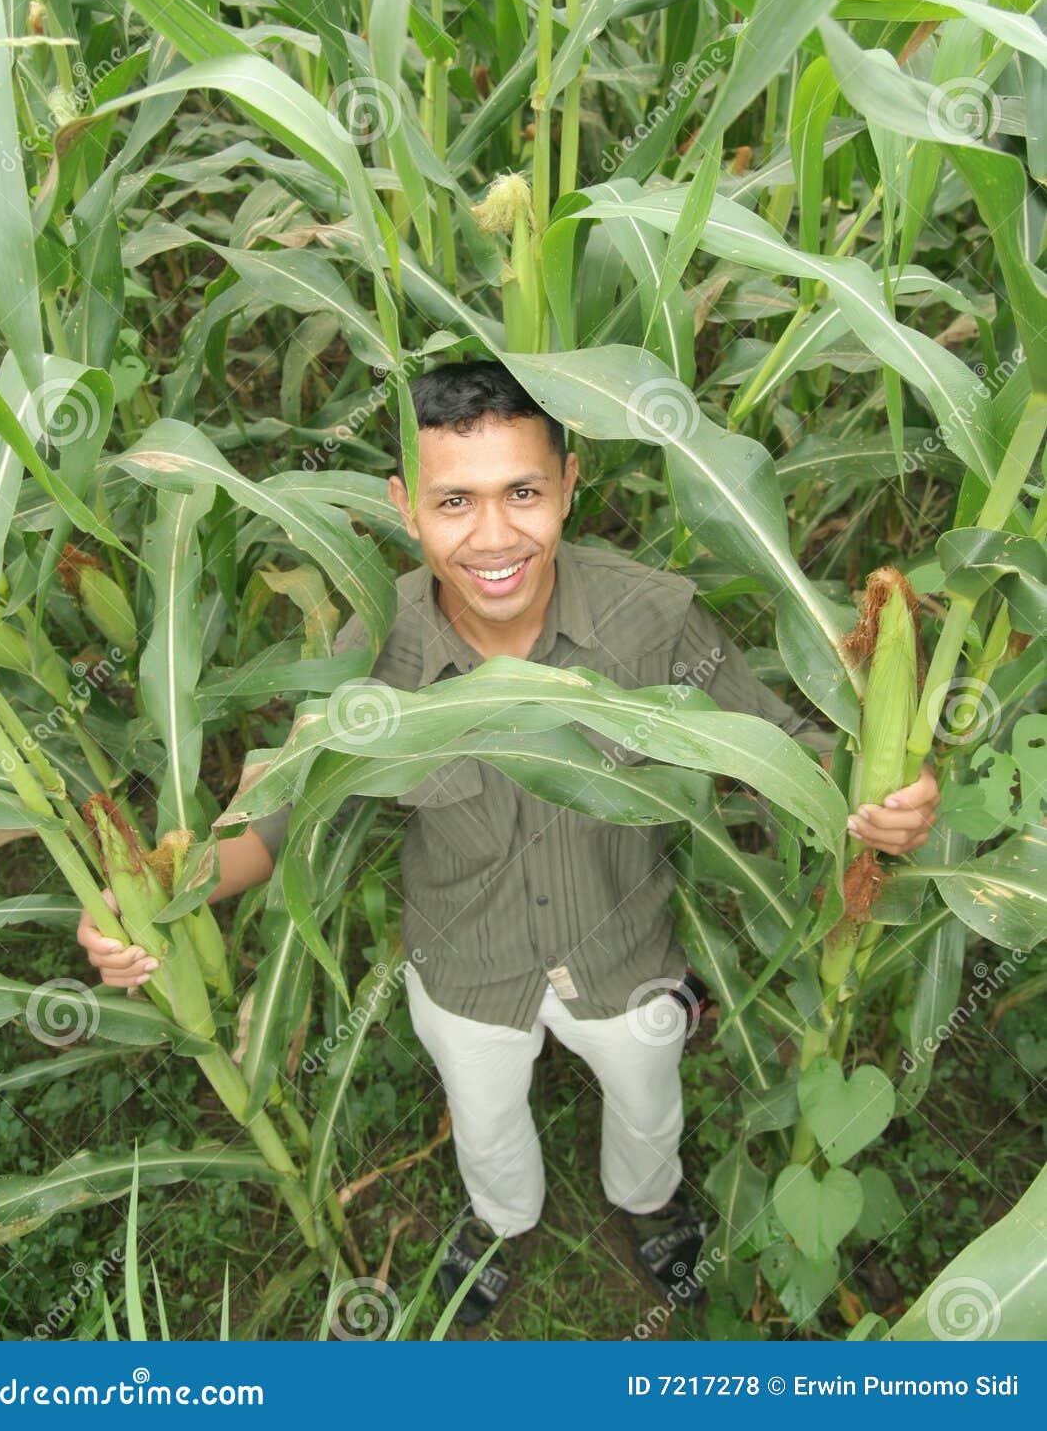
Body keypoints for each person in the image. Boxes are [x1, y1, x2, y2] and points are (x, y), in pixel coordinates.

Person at [77, 360, 940, 1325]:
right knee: (485, 1124)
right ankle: (500, 1220)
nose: (493, 537)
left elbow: (786, 749)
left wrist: (892, 795)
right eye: (454, 501)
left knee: (648, 1102)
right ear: (405, 505)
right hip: (465, 969)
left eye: (522, 492)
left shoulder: (649, 617)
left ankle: (649, 1205)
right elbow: (268, 823)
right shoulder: (375, 645)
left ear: (570, 486)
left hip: (626, 961)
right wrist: (151, 904)